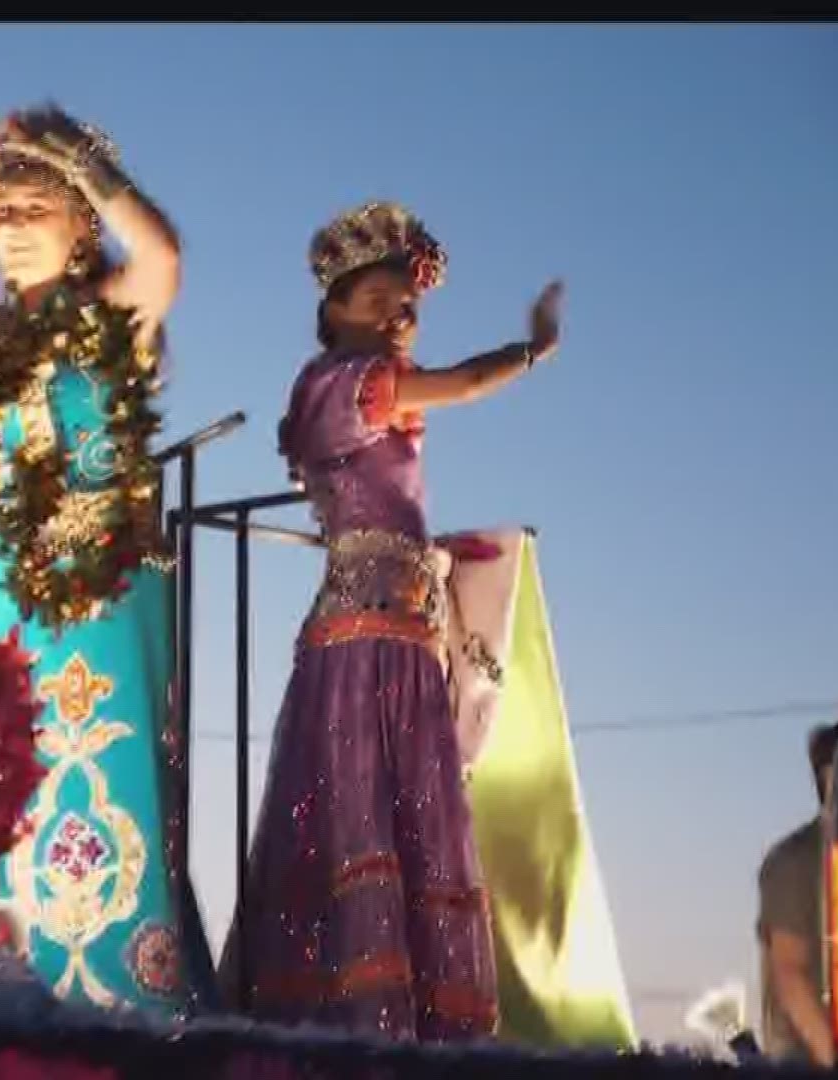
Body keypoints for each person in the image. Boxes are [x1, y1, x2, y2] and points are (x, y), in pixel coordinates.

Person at [218, 200, 565, 1041]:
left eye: (406, 303)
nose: (398, 315)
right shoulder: (345, 384)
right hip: (365, 636)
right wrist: (533, 348)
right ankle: (360, 1022)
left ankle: (400, 1019)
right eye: (377, 299)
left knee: (396, 816)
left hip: (398, 631)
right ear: (333, 312)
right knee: (362, 813)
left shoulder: (357, 390)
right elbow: (467, 382)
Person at [0, 102, 198, 1019]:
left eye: (36, 209)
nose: (12, 228)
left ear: (81, 227)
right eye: (1, 212)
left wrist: (83, 159)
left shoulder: (113, 313)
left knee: (93, 776)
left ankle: (112, 998)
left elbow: (164, 261)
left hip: (96, 590)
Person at [759, 718, 838, 1066]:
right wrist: (835, 1065)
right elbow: (791, 974)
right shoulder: (796, 860)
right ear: (829, 777)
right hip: (804, 1061)